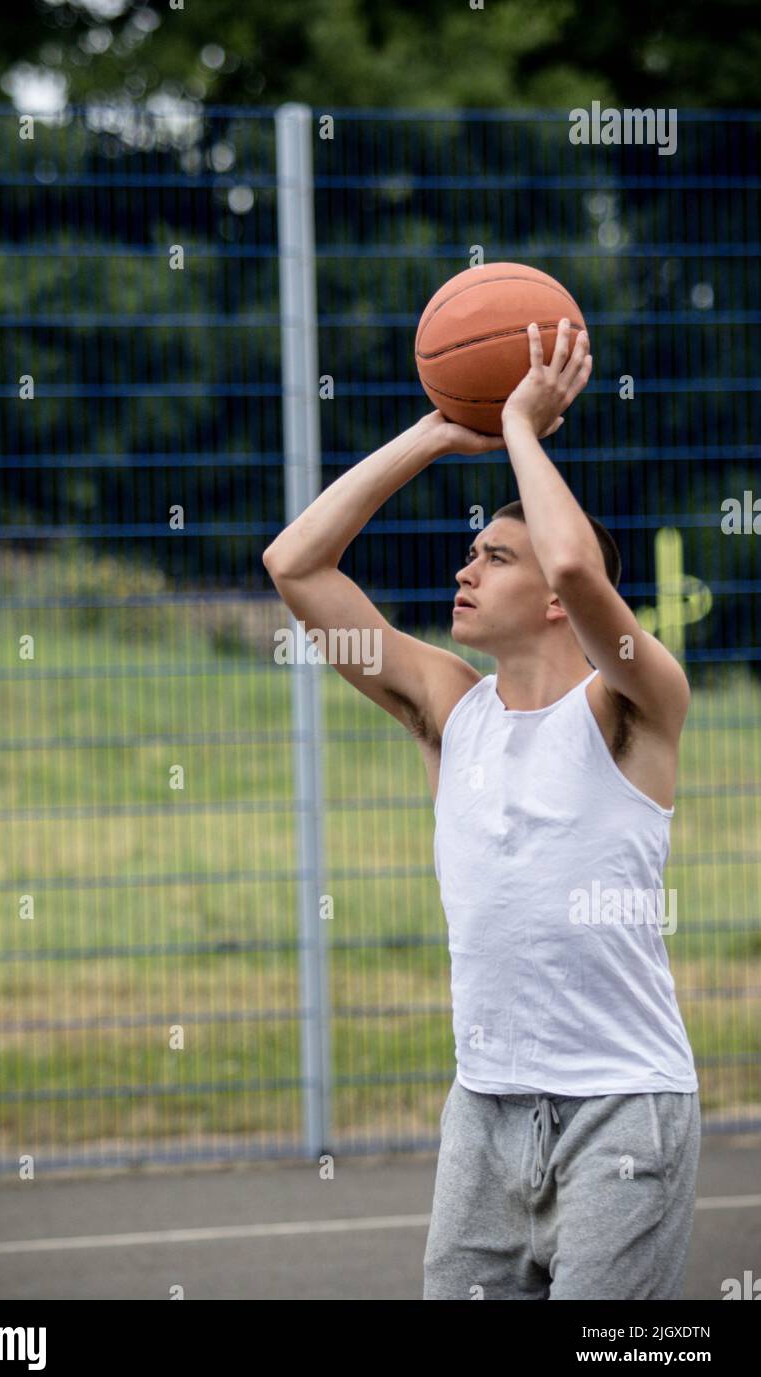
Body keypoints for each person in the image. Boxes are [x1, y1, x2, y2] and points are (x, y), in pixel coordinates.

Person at [263, 319, 700, 1300]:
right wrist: (436, 430)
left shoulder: (634, 706)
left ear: (553, 599)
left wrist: (519, 430)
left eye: (496, 556)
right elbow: (295, 565)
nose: (464, 570)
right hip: (482, 1109)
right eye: (472, 553)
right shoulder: (445, 707)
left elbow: (581, 567)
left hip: (620, 1109)